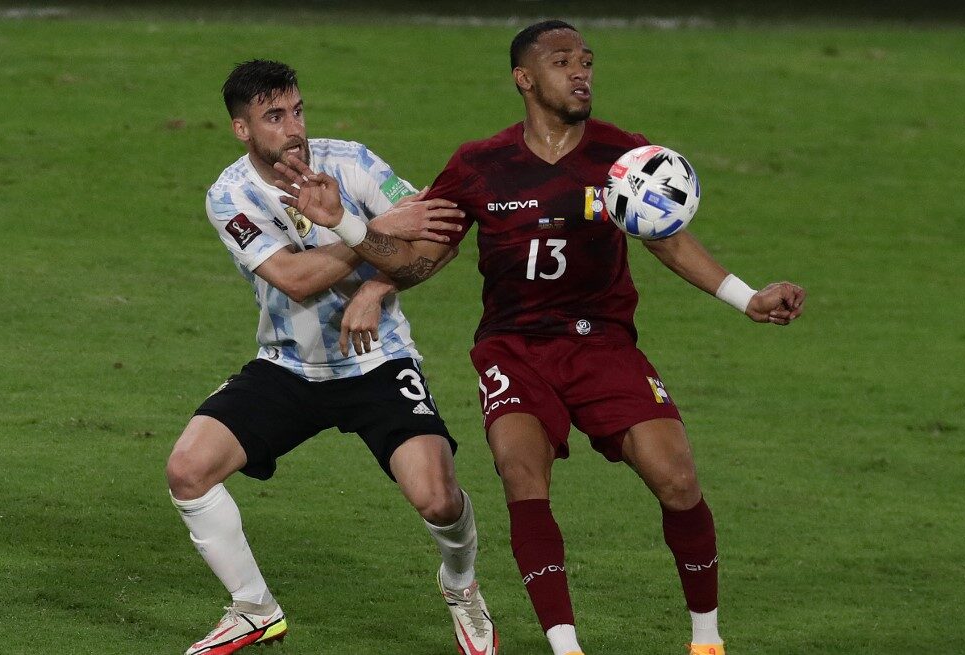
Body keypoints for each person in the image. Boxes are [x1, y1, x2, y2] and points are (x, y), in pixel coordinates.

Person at [272, 20, 806, 655]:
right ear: (524, 78)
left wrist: (748, 299)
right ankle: (565, 647)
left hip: (603, 344)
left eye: (586, 61)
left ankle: (707, 641)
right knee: (521, 473)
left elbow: (664, 233)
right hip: (514, 348)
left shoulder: (622, 155)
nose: (580, 73)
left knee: (678, 478)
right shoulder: (478, 164)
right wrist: (353, 235)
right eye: (562, 62)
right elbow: (416, 261)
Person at [165, 59, 498, 655]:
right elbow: (293, 278)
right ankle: (253, 609)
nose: (293, 129)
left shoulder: (351, 161)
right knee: (188, 471)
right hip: (288, 365)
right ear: (242, 129)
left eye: (297, 110)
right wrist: (365, 231)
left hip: (377, 359)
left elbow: (439, 232)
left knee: (439, 499)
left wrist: (374, 286)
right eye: (273, 116)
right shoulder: (230, 197)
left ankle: (462, 586)